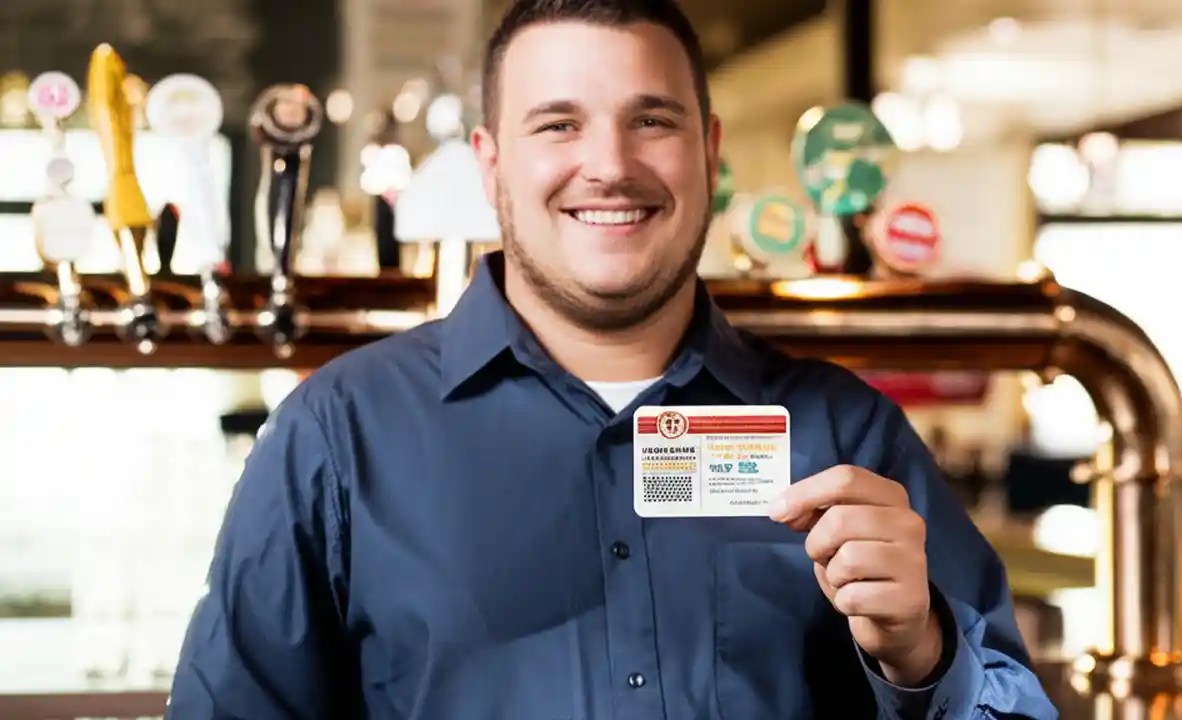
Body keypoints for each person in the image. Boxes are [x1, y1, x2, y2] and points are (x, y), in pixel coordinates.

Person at [166, 0, 1058, 717]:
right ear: (491, 166)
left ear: (707, 153)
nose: (610, 164)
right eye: (558, 125)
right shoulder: (335, 436)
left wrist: (922, 654)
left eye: (652, 120)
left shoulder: (846, 430)